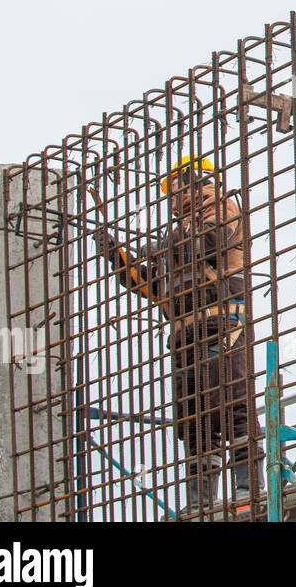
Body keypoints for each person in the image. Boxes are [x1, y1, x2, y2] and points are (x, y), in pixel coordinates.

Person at [95, 155, 262, 515]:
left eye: (177, 189)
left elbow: (209, 244)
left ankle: (248, 491)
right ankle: (200, 502)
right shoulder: (177, 236)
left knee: (235, 408)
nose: (174, 199)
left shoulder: (223, 207)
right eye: (171, 194)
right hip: (185, 336)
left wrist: (160, 246)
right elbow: (153, 286)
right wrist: (118, 255)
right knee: (196, 424)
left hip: (223, 327)